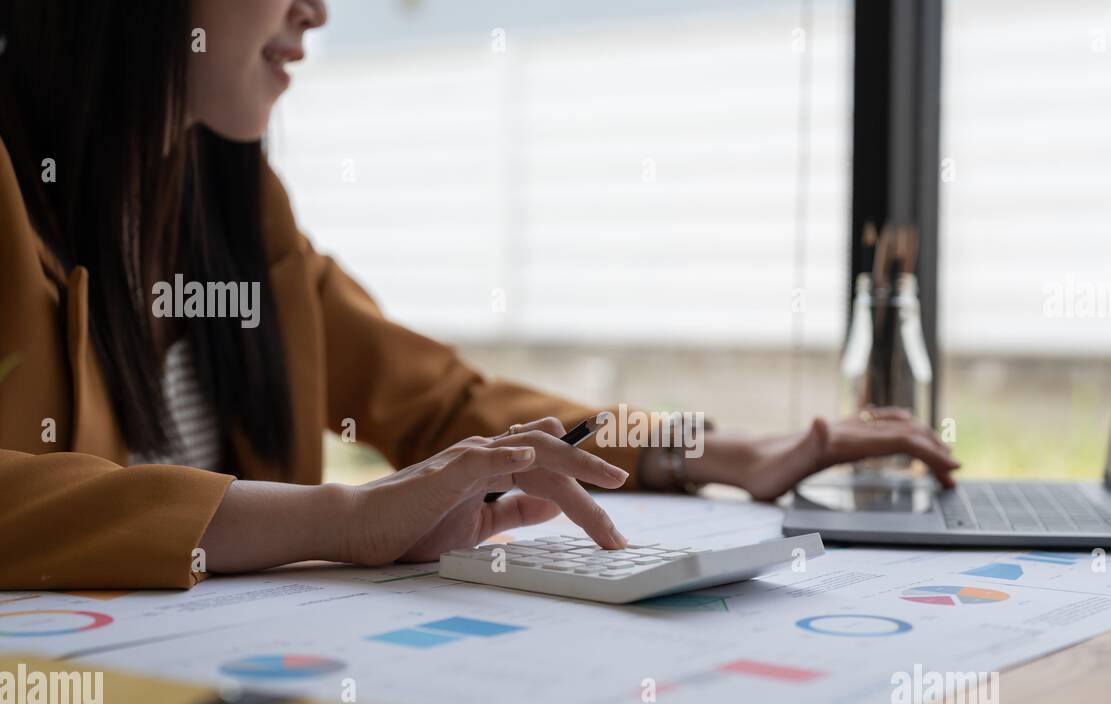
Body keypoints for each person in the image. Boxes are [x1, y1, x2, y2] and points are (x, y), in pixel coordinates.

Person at [0, 0, 959, 590]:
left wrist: (718, 451)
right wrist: (339, 520)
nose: (319, 10)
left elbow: (454, 411)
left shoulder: (236, 210)